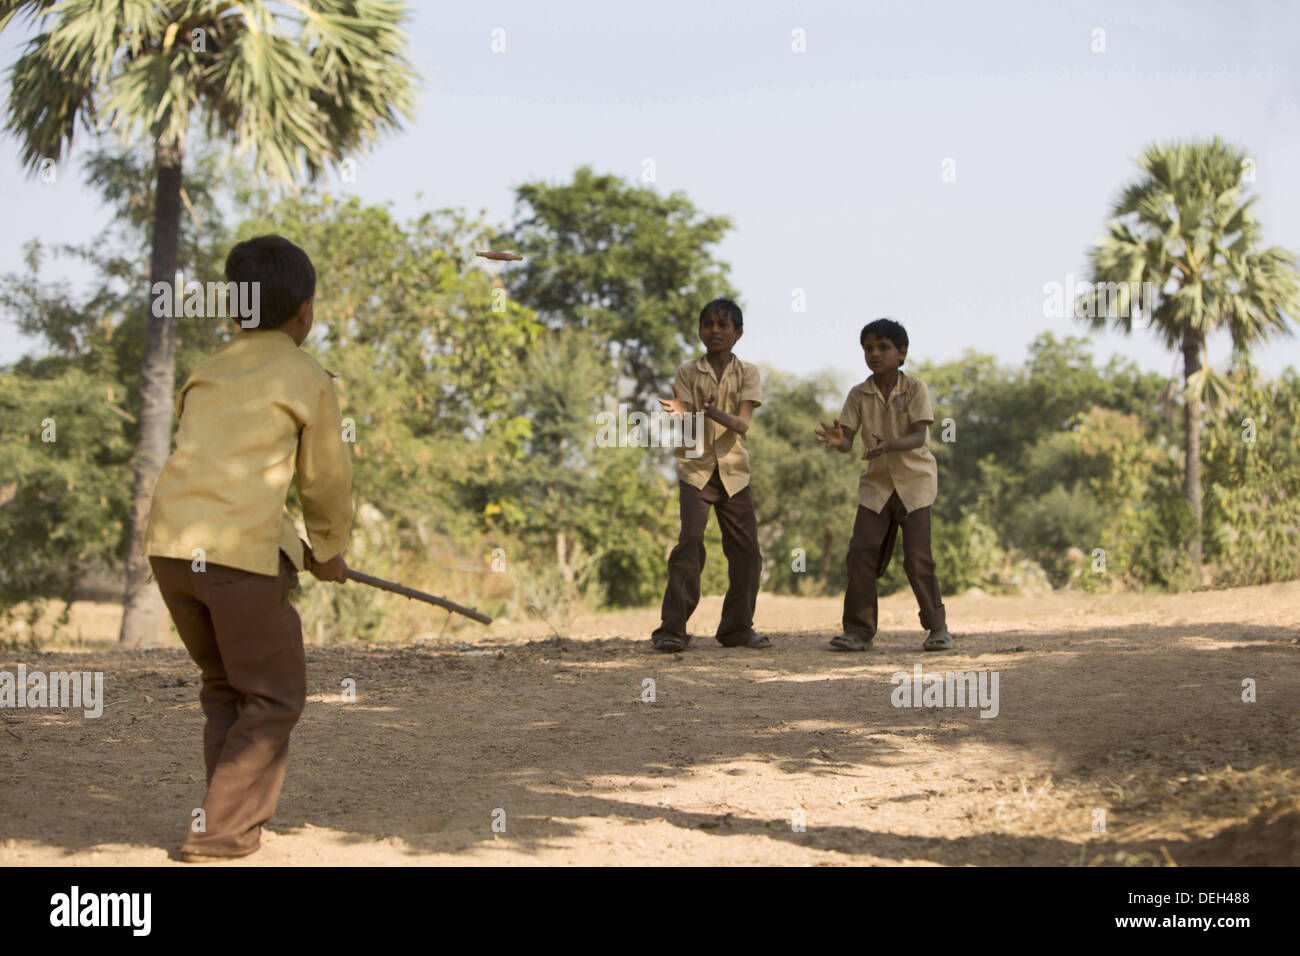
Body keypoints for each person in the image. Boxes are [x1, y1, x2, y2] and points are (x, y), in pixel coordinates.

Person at [144, 234, 354, 860]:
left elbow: (215, 473)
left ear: (233, 309)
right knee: (274, 692)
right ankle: (224, 834)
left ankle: (224, 819)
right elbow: (326, 480)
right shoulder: (305, 374)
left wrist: (302, 548)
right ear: (307, 311)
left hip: (171, 548)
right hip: (237, 557)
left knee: (227, 687)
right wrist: (328, 548)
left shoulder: (206, 371)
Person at [814, 318, 954, 652]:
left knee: (918, 557)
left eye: (883, 347)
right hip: (876, 486)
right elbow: (848, 440)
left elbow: (920, 434)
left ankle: (938, 628)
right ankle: (858, 630)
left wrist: (889, 445)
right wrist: (839, 440)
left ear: (901, 353)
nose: (874, 354)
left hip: (915, 484)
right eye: (867, 348)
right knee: (861, 551)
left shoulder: (915, 388)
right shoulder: (858, 394)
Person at [651, 298, 767, 652]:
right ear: (700, 331)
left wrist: (709, 411)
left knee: (747, 552)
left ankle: (736, 628)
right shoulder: (687, 371)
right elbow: (687, 426)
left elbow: (743, 424)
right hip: (696, 470)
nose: (714, 331)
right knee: (690, 544)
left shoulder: (748, 373)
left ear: (738, 333)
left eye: (722, 325)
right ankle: (672, 629)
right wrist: (684, 415)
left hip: (733, 471)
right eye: (708, 325)